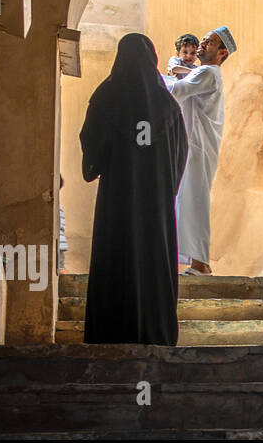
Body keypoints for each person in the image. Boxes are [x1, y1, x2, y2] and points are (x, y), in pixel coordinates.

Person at [79, 33, 188, 345]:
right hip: (155, 205)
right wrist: (164, 186)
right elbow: (181, 154)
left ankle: (110, 333)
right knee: (153, 258)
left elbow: (91, 145)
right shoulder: (166, 104)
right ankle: (154, 331)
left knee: (117, 254)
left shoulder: (106, 96)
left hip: (118, 201)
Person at [164, 26, 236, 275]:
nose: (202, 44)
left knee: (195, 200)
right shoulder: (203, 72)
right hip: (194, 146)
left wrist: (147, 77)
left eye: (210, 42)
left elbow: (176, 91)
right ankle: (197, 262)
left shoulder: (208, 72)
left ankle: (202, 264)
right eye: (203, 40)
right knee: (189, 200)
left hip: (199, 147)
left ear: (222, 52)